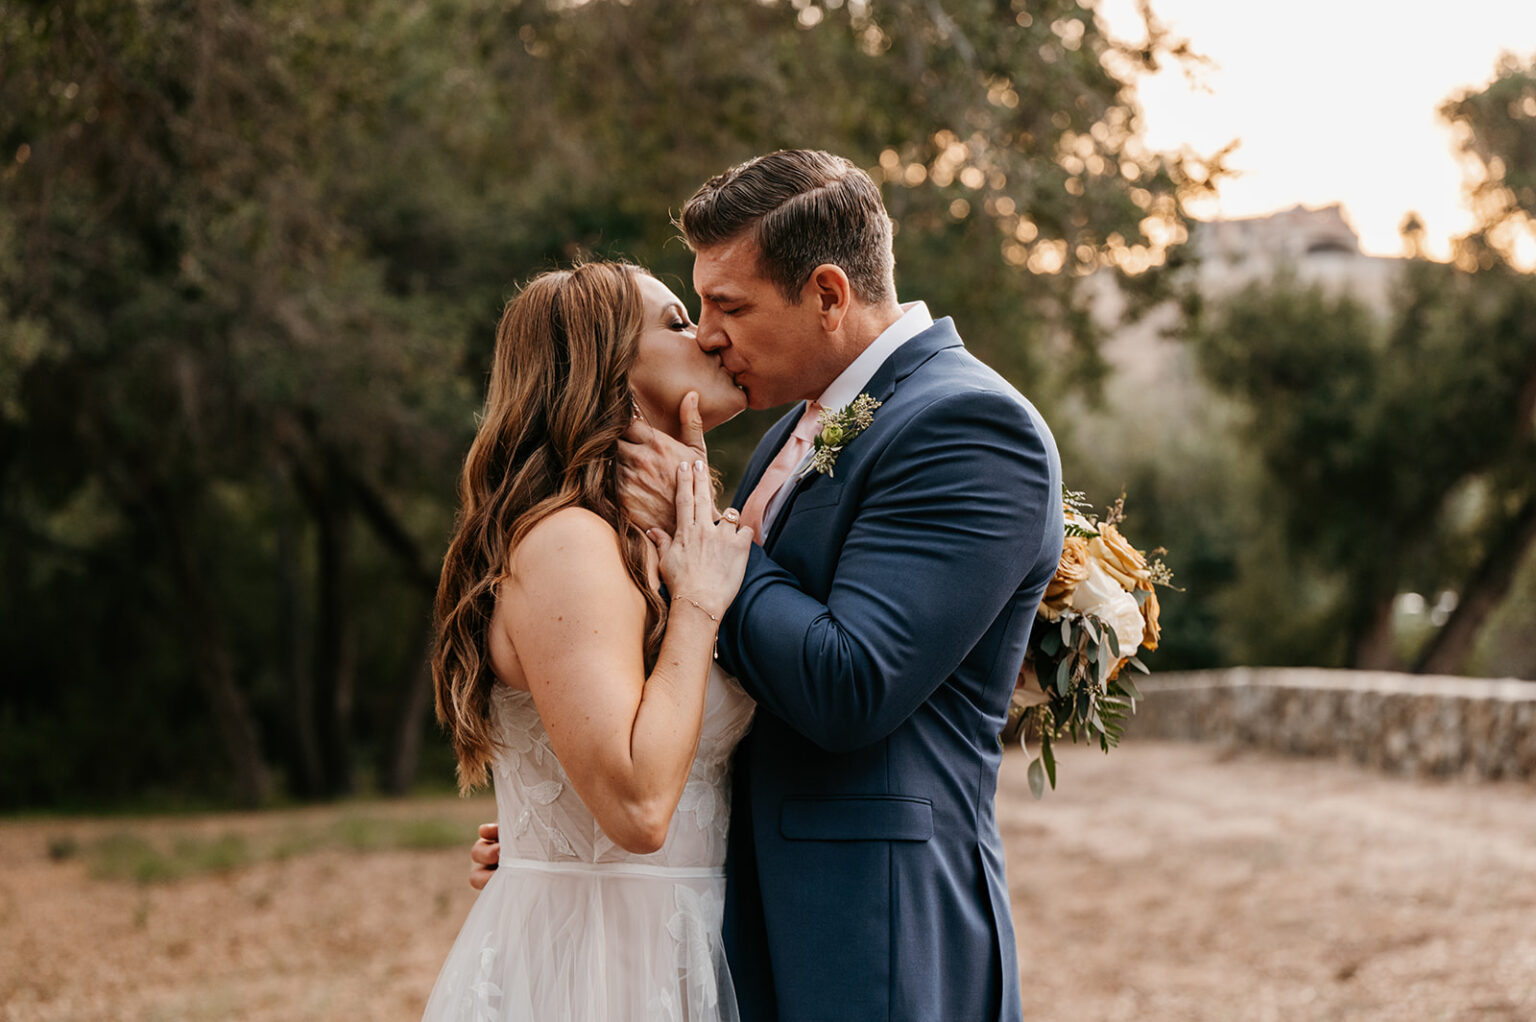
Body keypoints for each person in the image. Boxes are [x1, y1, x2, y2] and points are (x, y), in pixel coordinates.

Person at [471, 149, 1063, 1021]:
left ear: (828, 294)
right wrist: (561, 827)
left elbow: (850, 682)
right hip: (731, 922)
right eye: (695, 309)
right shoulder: (791, 425)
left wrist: (702, 545)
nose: (710, 334)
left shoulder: (966, 423)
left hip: (872, 930)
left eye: (728, 306)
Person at [421, 261, 757, 1021]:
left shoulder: (646, 540)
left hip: (679, 945)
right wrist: (701, 600)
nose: (707, 335)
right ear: (605, 369)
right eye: (676, 322)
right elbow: (638, 807)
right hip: (599, 970)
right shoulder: (570, 544)